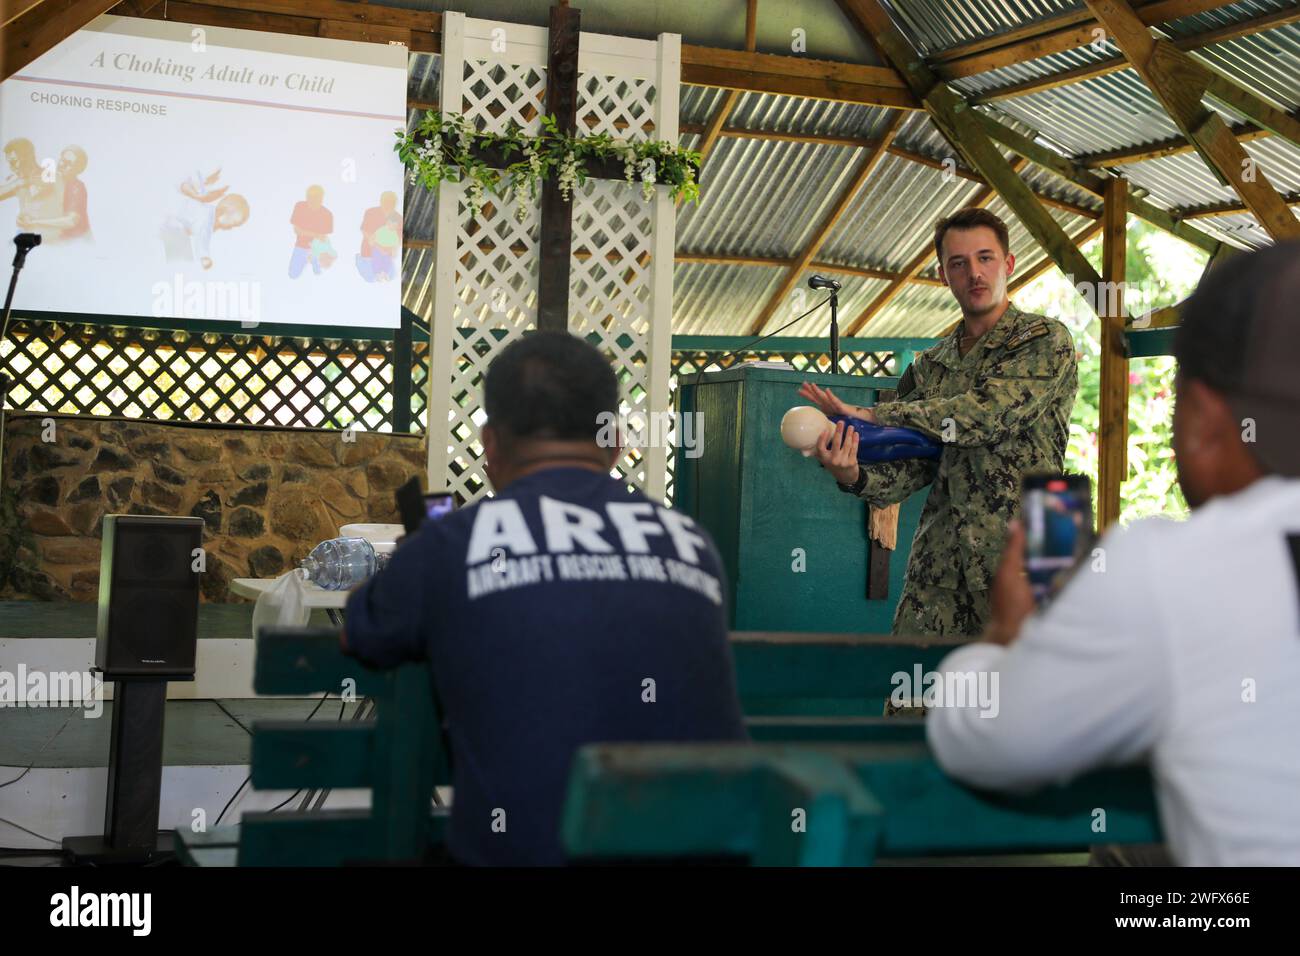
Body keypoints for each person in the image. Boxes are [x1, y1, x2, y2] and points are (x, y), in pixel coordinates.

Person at [927, 242, 1300, 866]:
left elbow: (988, 740)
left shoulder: (1171, 573)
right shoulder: (937, 361)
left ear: (1205, 418)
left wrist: (1006, 633)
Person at [340, 331, 748, 866]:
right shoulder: (691, 543)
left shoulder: (450, 545)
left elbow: (360, 634)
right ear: (616, 439)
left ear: (489, 445)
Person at [803, 208, 1078, 636]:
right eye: (958, 263)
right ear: (943, 275)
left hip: (1032, 555)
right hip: (943, 560)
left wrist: (874, 414)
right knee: (912, 678)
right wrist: (851, 472)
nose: (975, 273)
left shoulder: (1045, 339)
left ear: (1008, 264)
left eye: (985, 258)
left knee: (1031, 680)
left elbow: (986, 415)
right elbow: (911, 466)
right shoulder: (929, 366)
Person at [15, 145, 92, 242]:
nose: (62, 165)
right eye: (62, 160)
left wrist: (34, 222)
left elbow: (71, 221)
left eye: (69, 163)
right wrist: (25, 216)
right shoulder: (51, 181)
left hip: (74, 241)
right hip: (53, 238)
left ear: (78, 169)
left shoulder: (77, 188)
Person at [289, 184, 333, 278]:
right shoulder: (300, 206)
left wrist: (318, 252)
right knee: (293, 275)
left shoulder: (327, 214)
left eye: (317, 198)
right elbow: (297, 230)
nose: (313, 201)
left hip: (319, 250)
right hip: (301, 247)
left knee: (320, 276)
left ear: (321, 199)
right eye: (311, 197)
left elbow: (323, 238)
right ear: (307, 197)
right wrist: (316, 235)